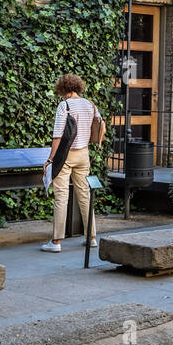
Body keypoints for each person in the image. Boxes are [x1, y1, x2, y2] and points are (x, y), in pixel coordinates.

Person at [41, 73, 105, 251]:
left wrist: (50, 159)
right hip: (84, 154)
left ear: (63, 89)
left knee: (61, 196)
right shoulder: (89, 104)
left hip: (66, 155)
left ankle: (56, 242)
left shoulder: (65, 105)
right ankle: (91, 237)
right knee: (84, 195)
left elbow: (57, 136)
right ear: (78, 87)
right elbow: (100, 126)